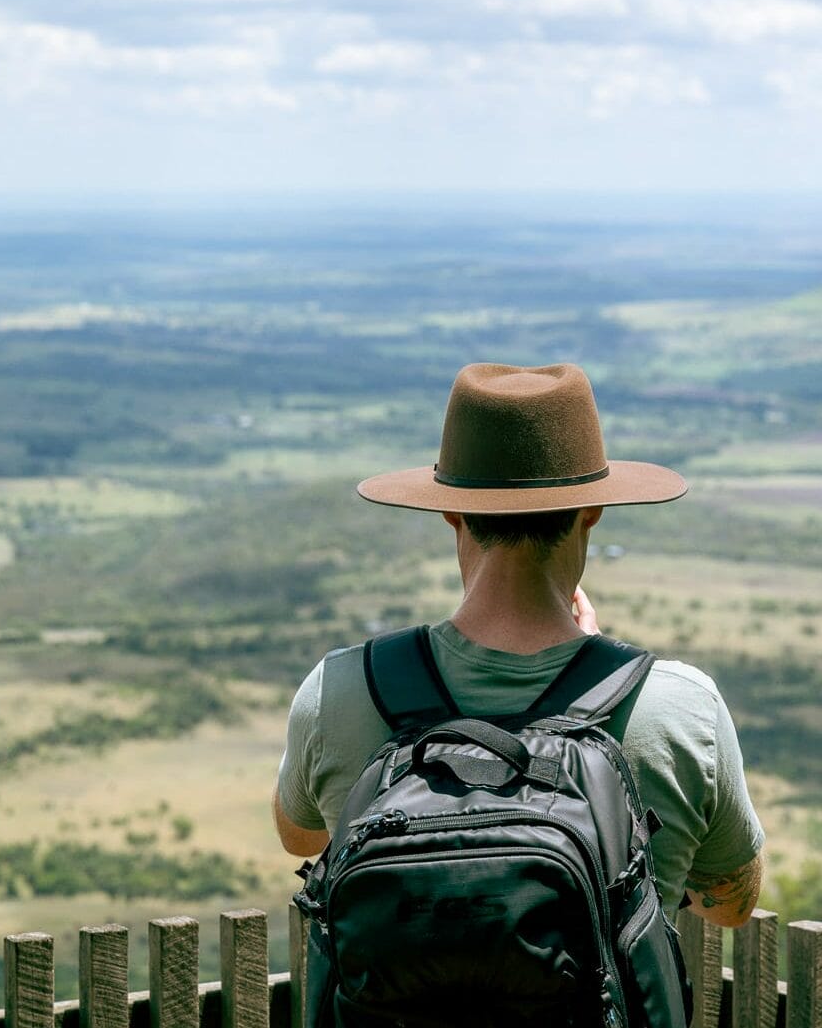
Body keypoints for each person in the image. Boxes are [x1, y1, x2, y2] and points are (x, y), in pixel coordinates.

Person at [272, 361, 765, 927]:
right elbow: (729, 905)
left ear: (450, 512)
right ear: (593, 511)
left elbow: (298, 834)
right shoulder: (679, 708)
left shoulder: (340, 690)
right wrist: (596, 672)